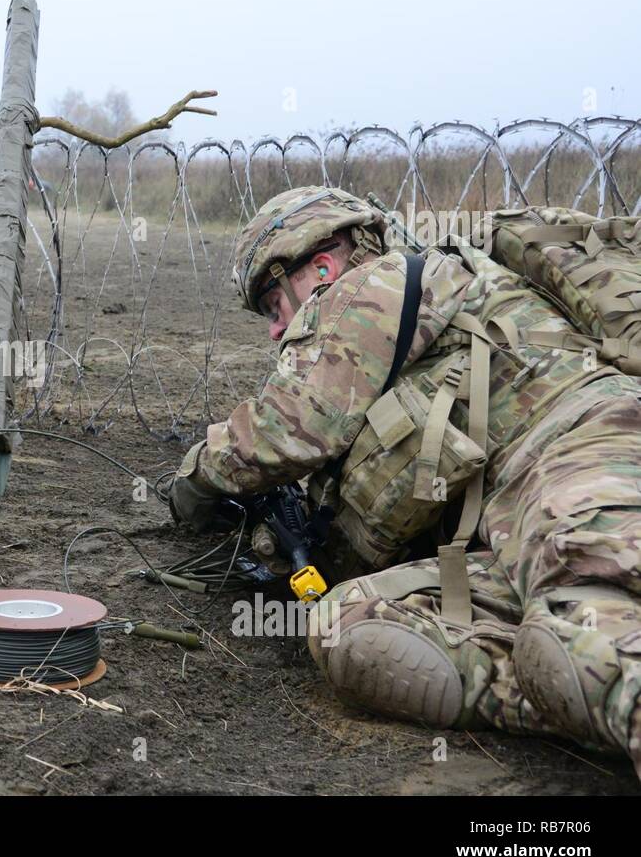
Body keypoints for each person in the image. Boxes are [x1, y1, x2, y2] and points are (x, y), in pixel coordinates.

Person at [169, 185, 641, 776]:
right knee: (347, 624)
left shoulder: (381, 282)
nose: (273, 331)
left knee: (587, 625)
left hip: (588, 449)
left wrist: (193, 482)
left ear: (321, 267)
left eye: (273, 306)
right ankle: (565, 683)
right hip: (506, 522)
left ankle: (585, 670)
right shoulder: (408, 311)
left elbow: (286, 429)